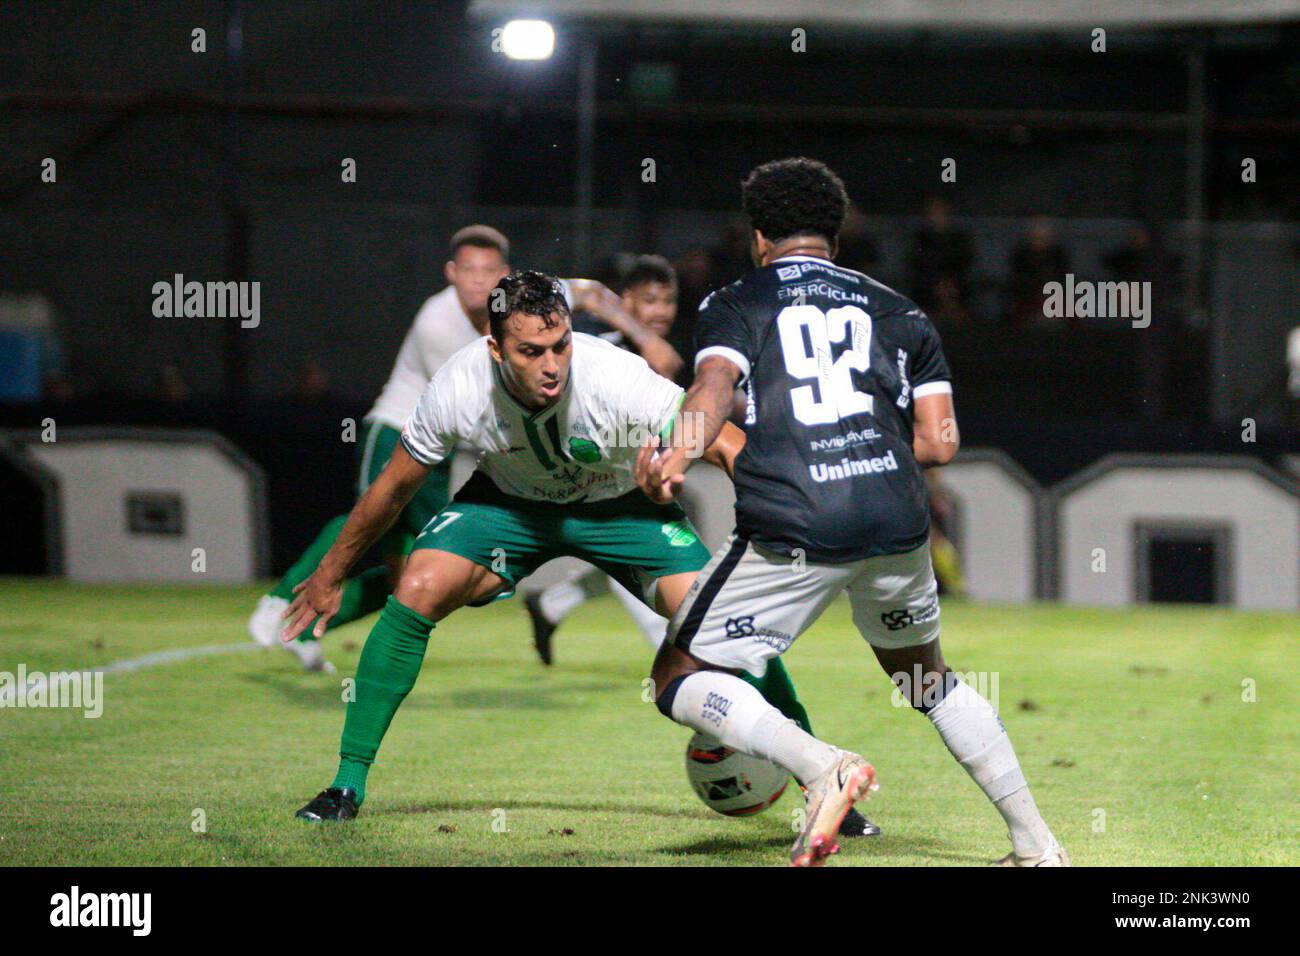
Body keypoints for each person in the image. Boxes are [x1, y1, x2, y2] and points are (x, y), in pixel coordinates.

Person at [281, 270, 876, 839]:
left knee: (726, 629)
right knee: (416, 587)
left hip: (623, 511)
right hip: (509, 508)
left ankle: (824, 784)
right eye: (530, 352)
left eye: (559, 346)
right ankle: (344, 788)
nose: (551, 365)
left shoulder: (613, 375)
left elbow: (720, 438)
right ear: (495, 349)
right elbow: (393, 487)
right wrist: (329, 574)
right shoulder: (458, 385)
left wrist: (791, 508)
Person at [636, 157, 1067, 867]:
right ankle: (1038, 847)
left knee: (678, 674)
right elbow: (938, 443)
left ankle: (819, 765)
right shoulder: (901, 309)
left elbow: (714, 384)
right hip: (897, 517)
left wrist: (677, 454)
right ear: (834, 237)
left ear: (758, 236)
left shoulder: (737, 300)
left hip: (798, 519)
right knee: (927, 680)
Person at [246, 225, 512, 671]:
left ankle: (309, 628)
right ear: (451, 272)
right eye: (468, 269)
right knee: (367, 514)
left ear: (504, 274)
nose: (478, 280)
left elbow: (571, 293)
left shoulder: (510, 311)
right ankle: (276, 600)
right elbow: (470, 409)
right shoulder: (438, 322)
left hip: (437, 450)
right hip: (397, 430)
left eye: (488, 271)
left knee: (413, 577)